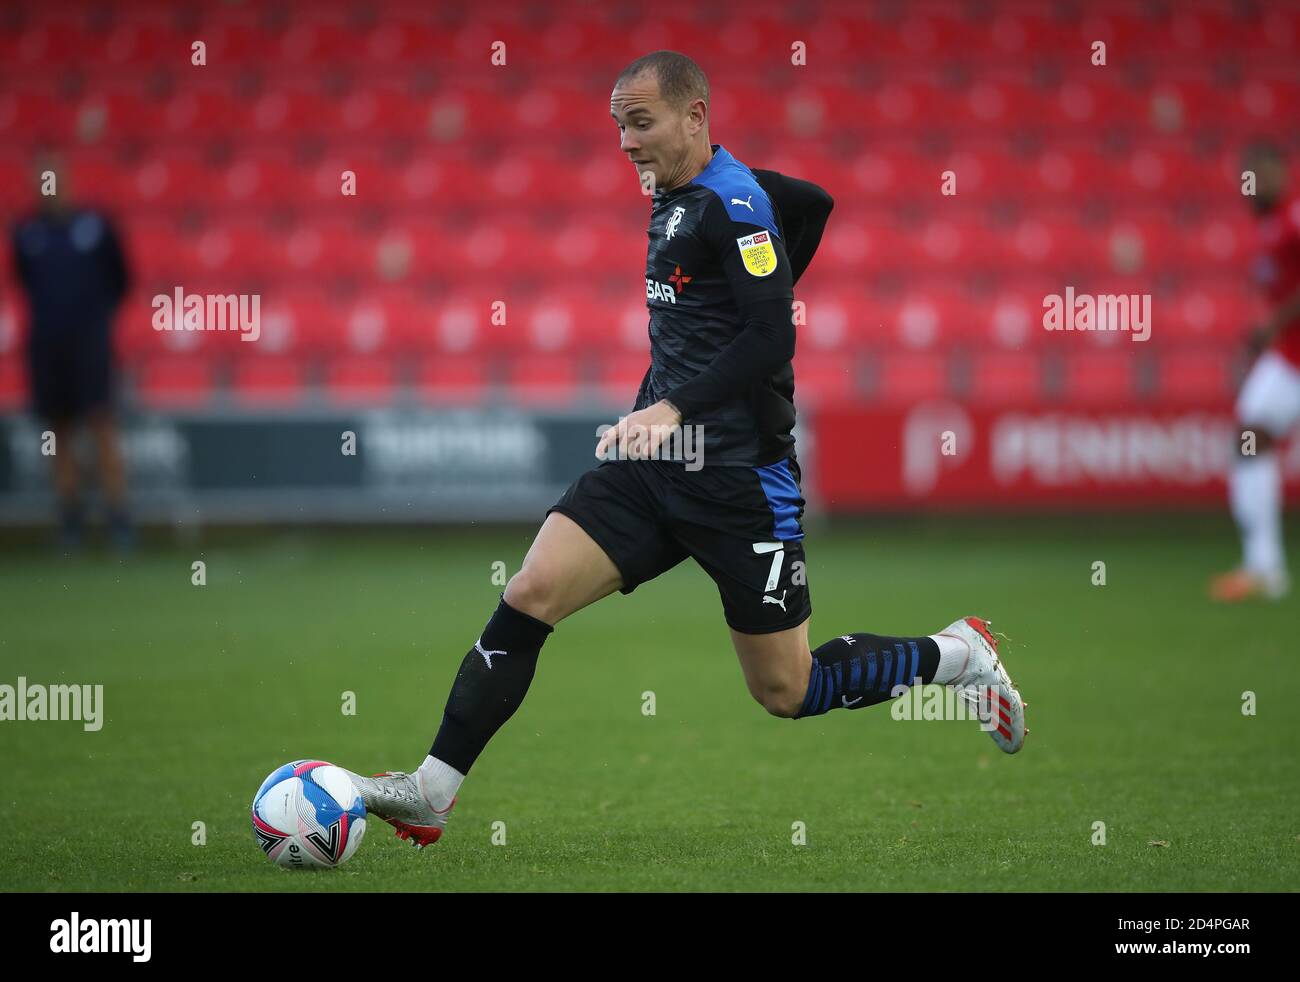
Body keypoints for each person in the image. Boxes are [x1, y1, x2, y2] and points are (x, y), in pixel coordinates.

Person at [345, 51, 1027, 850]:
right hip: (651, 470)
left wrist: (675, 403)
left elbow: (770, 336)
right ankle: (430, 792)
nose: (626, 143)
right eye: (619, 126)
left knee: (787, 690)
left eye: (641, 123)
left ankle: (956, 657)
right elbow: (815, 201)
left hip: (740, 481)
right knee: (531, 591)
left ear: (694, 117)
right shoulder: (682, 193)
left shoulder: (734, 205)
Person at [12, 152, 133, 552]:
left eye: (54, 179)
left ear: (67, 182)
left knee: (102, 423)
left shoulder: (96, 227)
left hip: (90, 345)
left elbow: (120, 280)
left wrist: (92, 322)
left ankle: (118, 517)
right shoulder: (26, 233)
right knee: (57, 431)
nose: (49, 188)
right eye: (42, 181)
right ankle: (70, 518)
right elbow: (24, 282)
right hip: (47, 347)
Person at [1210, 141, 1300, 602]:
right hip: (1289, 357)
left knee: (1251, 437)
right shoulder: (1268, 228)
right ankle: (1264, 566)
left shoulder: (1293, 218)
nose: (1251, 185)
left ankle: (1265, 566)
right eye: (1246, 177)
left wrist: (1273, 324)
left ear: (1279, 174)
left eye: (1258, 175)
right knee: (1249, 437)